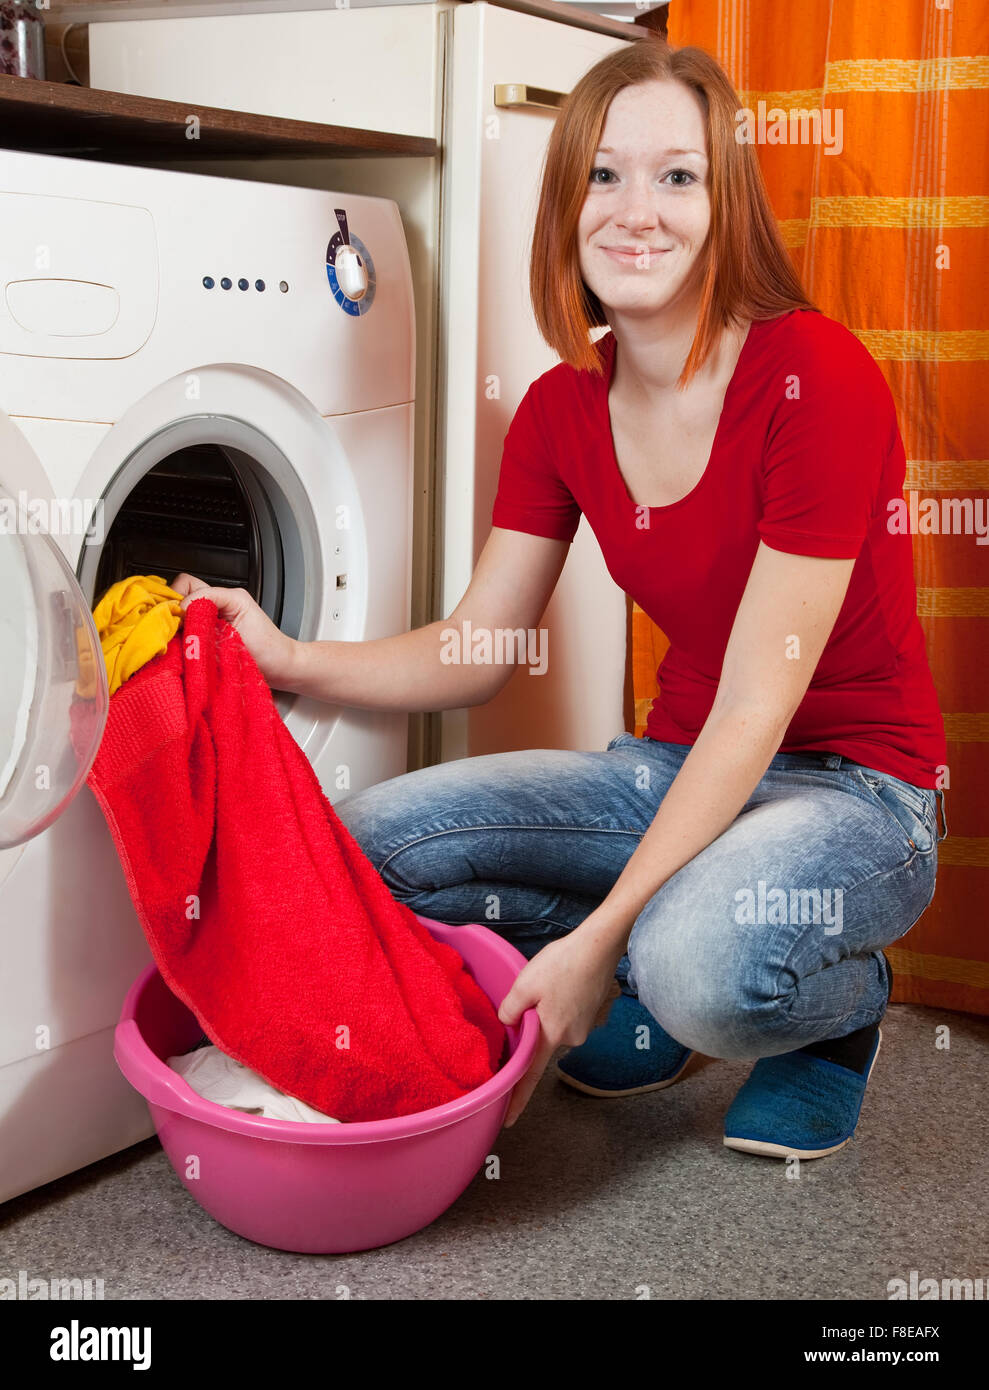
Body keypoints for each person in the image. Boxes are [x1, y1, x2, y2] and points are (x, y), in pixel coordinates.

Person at [171, 36, 947, 1161]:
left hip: (859, 790)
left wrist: (600, 943)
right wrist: (280, 652)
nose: (637, 211)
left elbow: (753, 711)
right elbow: (477, 646)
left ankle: (832, 1007)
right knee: (365, 850)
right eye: (603, 175)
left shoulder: (811, 378)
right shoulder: (557, 409)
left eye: (676, 176)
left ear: (724, 203)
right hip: (673, 768)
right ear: (566, 203)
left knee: (700, 969)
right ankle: (648, 967)